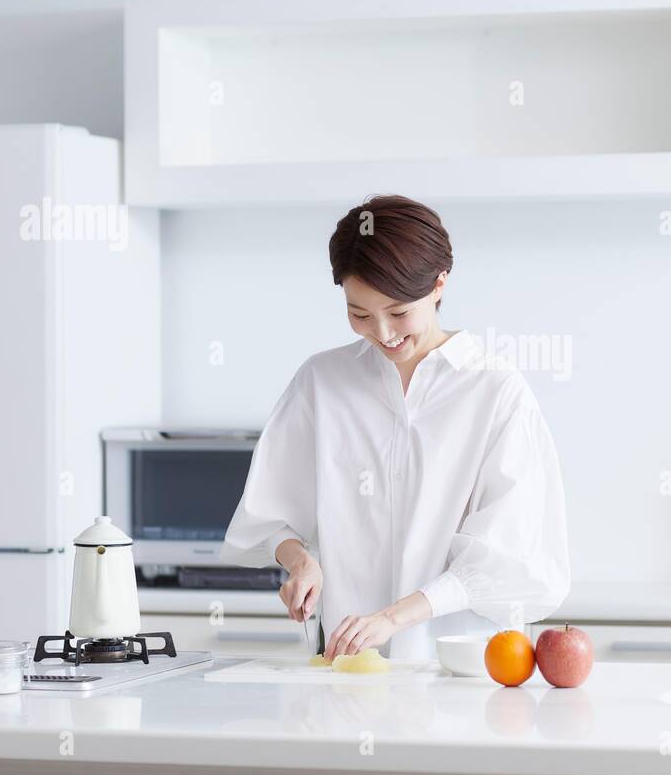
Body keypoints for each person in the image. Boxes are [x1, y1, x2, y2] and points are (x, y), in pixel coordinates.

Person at [219, 195, 570, 661]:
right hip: (349, 672)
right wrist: (301, 561)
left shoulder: (494, 390)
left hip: (461, 673)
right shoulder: (322, 382)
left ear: (440, 284)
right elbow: (268, 517)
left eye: (400, 312)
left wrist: (393, 618)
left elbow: (510, 558)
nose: (383, 333)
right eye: (359, 314)